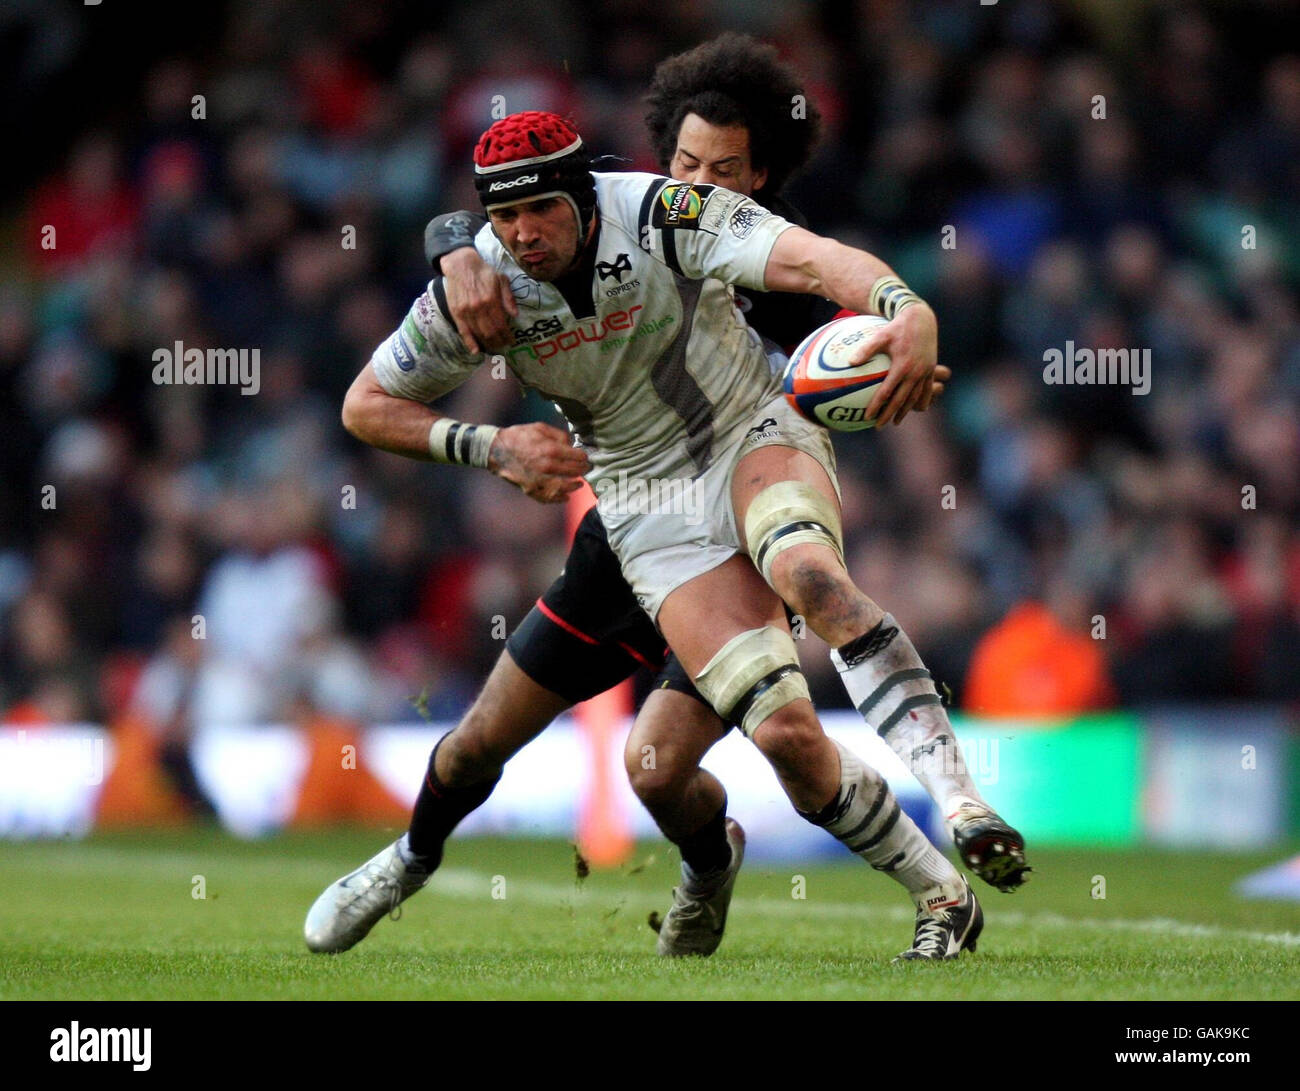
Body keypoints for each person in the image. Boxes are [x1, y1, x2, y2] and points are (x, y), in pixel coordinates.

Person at [307, 98, 1020, 964]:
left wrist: (906, 306)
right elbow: (364, 405)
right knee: (661, 756)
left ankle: (961, 806)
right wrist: (490, 445)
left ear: (587, 193)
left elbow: (813, 258)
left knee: (809, 576)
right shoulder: (481, 285)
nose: (524, 234)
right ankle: (414, 860)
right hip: (645, 513)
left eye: (542, 209)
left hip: (750, 433)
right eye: (504, 216)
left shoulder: (661, 212)